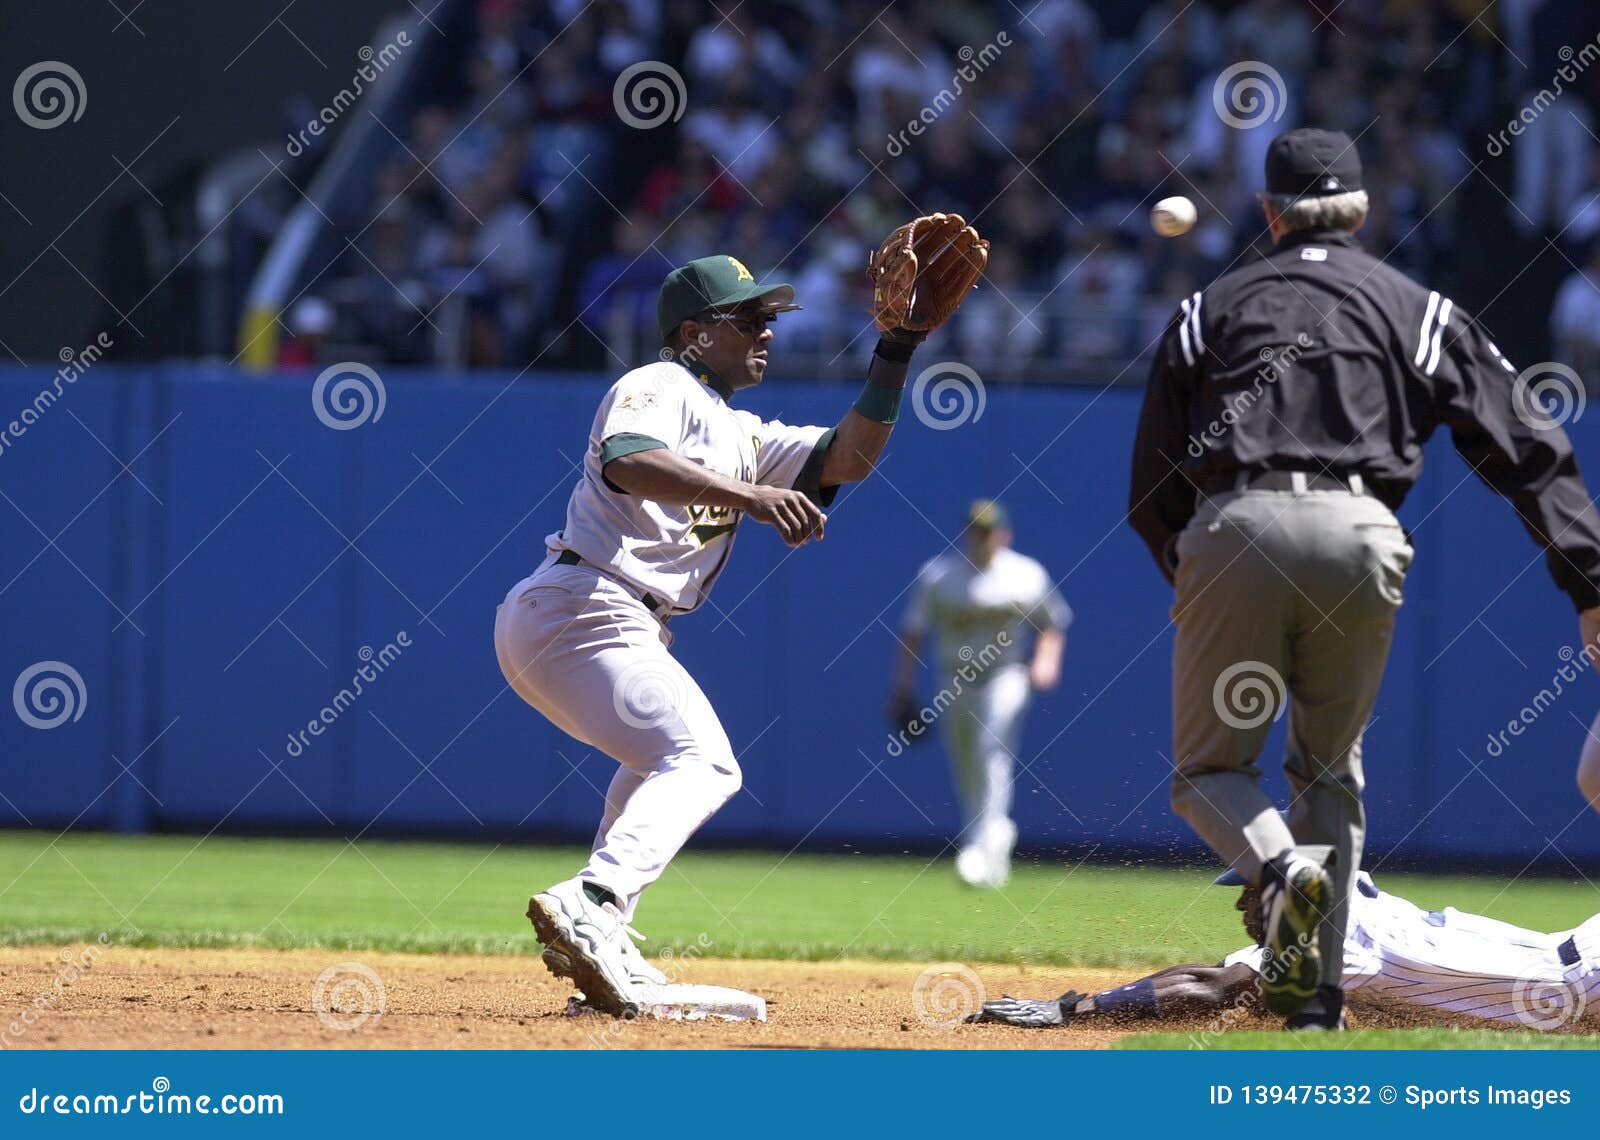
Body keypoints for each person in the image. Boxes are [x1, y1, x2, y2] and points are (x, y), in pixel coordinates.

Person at [1127, 127, 1600, 1030]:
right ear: (1361, 212)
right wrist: (1590, 585)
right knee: (1330, 773)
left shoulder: (1207, 309)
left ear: (1268, 211)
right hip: (1362, 534)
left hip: (1237, 522)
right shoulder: (1414, 307)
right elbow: (1529, 447)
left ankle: (1280, 871)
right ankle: (1315, 1000)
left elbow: (1151, 489)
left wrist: (1196, 574)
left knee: (1209, 770)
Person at [495, 220, 987, 1015]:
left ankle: (605, 935)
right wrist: (752, 497)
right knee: (704, 761)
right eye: (747, 319)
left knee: (655, 763)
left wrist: (896, 347)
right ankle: (594, 902)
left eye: (769, 318)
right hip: (584, 606)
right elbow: (628, 459)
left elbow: (849, 459)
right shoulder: (659, 384)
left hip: (601, 619)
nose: (765, 331)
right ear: (693, 333)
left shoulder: (741, 431)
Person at [970, 869, 1600, 1032]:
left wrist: (1076, 1011)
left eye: (1249, 891)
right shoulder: (1352, 916)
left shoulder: (1332, 934)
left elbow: (1213, 986)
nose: (1241, 908)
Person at [890, 500, 1070, 887]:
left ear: (1005, 534)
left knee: (991, 752)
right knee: (966, 763)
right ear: (966, 532)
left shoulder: (1025, 574)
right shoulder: (940, 575)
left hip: (1005, 675)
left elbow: (1052, 623)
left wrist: (1045, 661)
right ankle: (997, 835)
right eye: (976, 530)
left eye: (990, 531)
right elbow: (913, 634)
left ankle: (975, 846)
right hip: (954, 677)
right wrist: (902, 688)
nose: (983, 538)